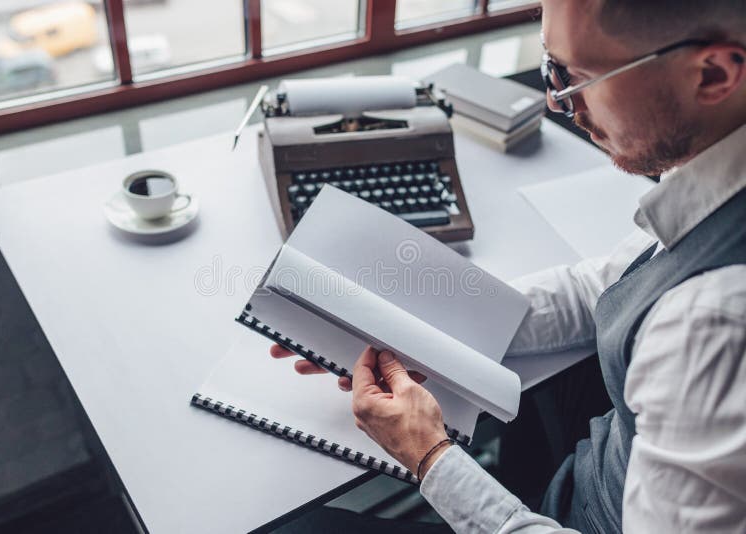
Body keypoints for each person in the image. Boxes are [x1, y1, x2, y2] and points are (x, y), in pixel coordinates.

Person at [271, 1, 746, 531]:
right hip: (605, 462)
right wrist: (415, 329)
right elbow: (608, 281)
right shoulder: (716, 162)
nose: (555, 99)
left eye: (575, 75)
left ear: (713, 74)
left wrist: (429, 456)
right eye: (549, 65)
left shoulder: (713, 323)